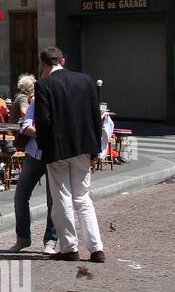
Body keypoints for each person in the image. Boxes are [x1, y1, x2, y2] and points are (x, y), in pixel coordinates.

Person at [34, 47, 105, 263]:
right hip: (83, 146)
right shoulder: (85, 80)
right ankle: (96, 248)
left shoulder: (44, 85)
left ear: (43, 64)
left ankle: (69, 247)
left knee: (62, 198)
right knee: (83, 197)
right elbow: (95, 116)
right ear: (62, 61)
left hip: (57, 148)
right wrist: (96, 148)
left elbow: (43, 120)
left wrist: (43, 145)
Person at [9, 77, 58, 254]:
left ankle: (51, 241)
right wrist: (44, 135)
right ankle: (22, 238)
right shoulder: (36, 102)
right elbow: (25, 126)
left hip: (54, 155)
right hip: (34, 153)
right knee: (20, 196)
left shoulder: (61, 103)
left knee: (53, 200)